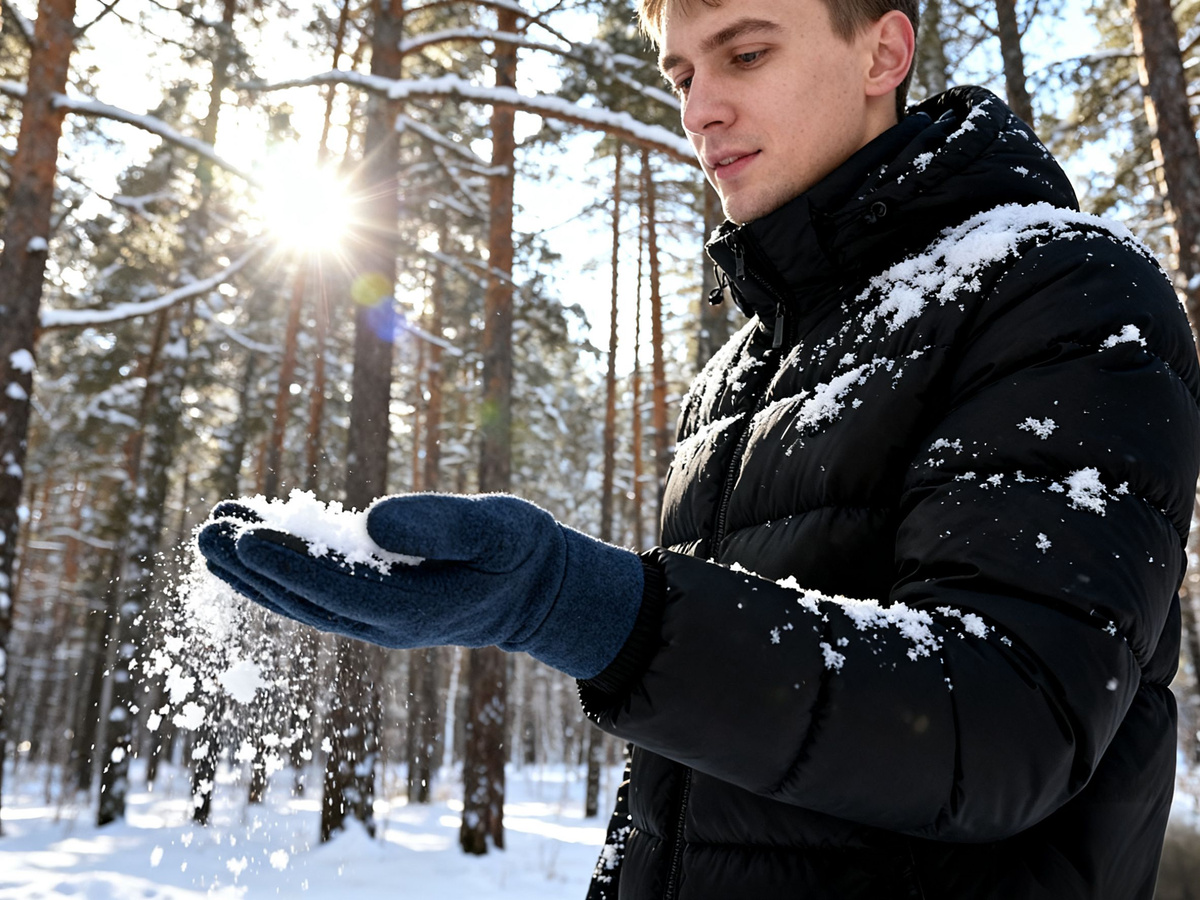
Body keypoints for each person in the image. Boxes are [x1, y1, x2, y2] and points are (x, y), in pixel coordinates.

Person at [198, 0, 1200, 897]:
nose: (699, 110)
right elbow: (685, 788)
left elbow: (1009, 723)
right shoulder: (736, 377)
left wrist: (583, 607)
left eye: (745, 54)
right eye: (681, 74)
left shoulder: (1063, 294)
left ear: (883, 52)